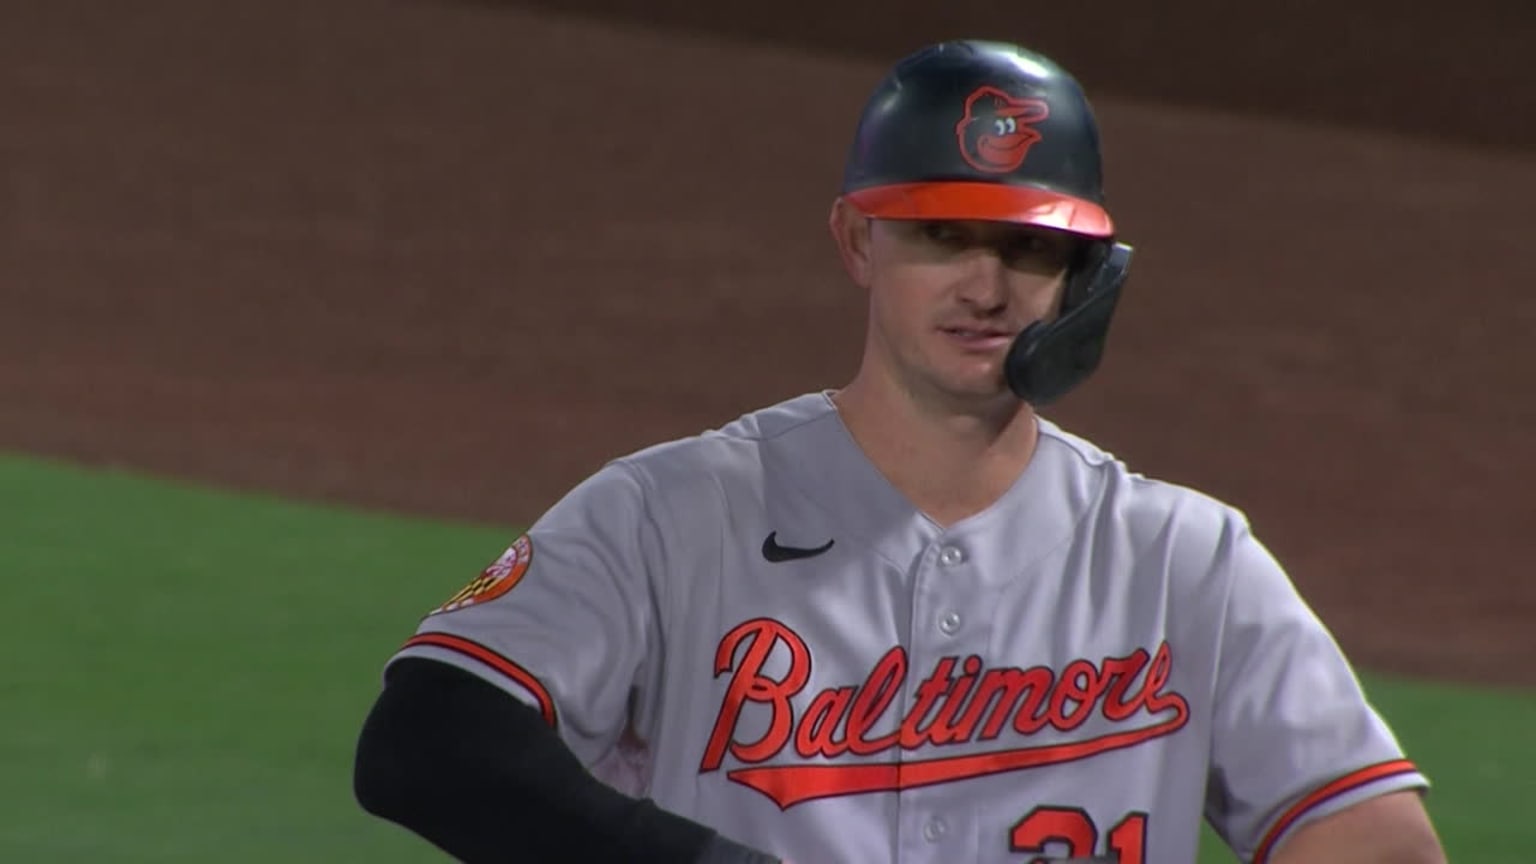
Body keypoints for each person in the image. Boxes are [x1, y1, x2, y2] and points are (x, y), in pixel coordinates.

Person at [353, 38, 1446, 863]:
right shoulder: (676, 513)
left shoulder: (1182, 559)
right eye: (942, 236)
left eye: (1030, 247)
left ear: (1086, 275)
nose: (988, 286)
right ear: (858, 242)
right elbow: (429, 746)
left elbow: (1376, 839)